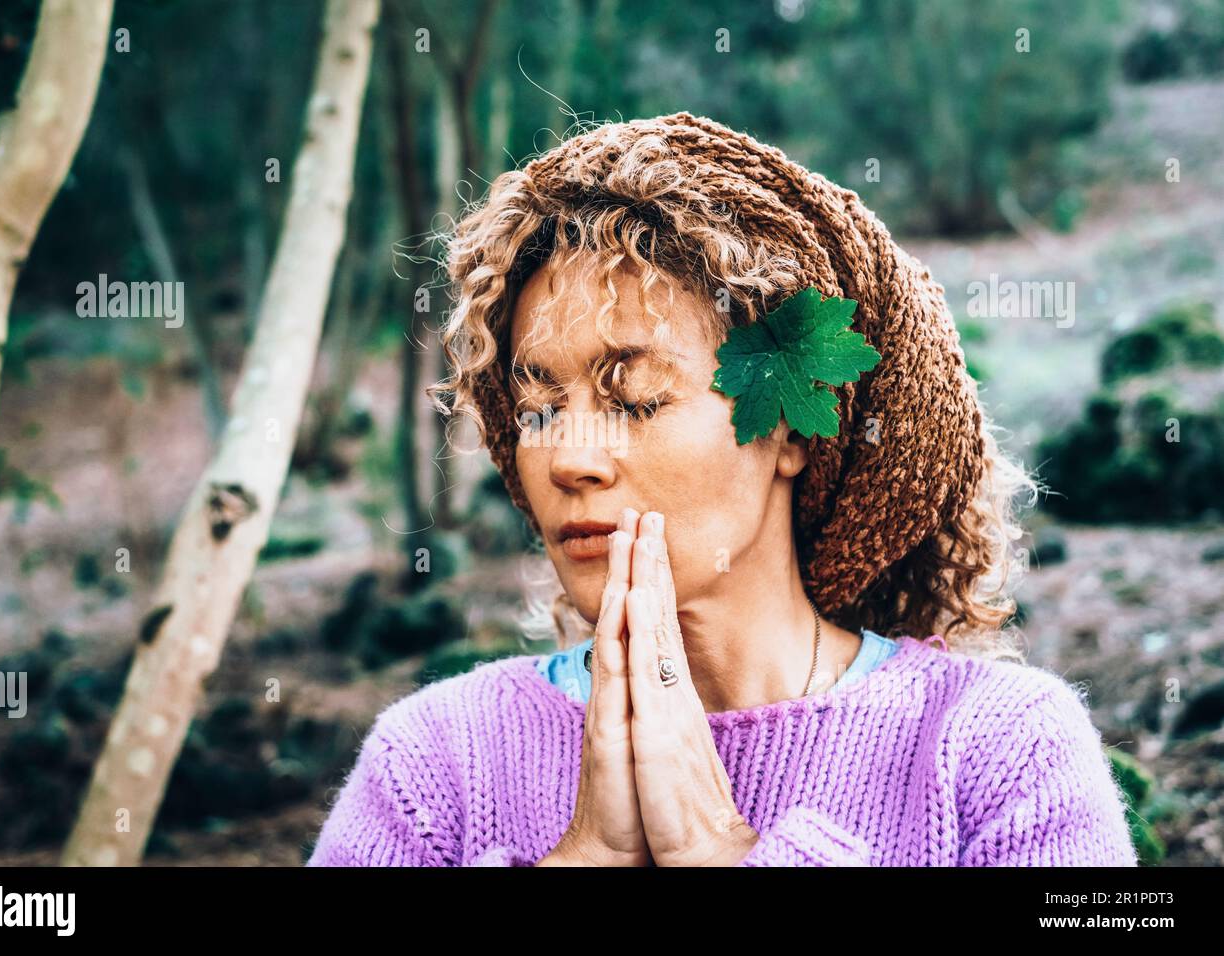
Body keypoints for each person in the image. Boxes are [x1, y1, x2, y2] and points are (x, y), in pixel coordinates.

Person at [306, 112, 1138, 867]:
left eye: (636, 400)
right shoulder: (436, 762)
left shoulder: (1000, 750)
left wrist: (721, 850)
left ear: (789, 432)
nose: (569, 460)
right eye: (538, 410)